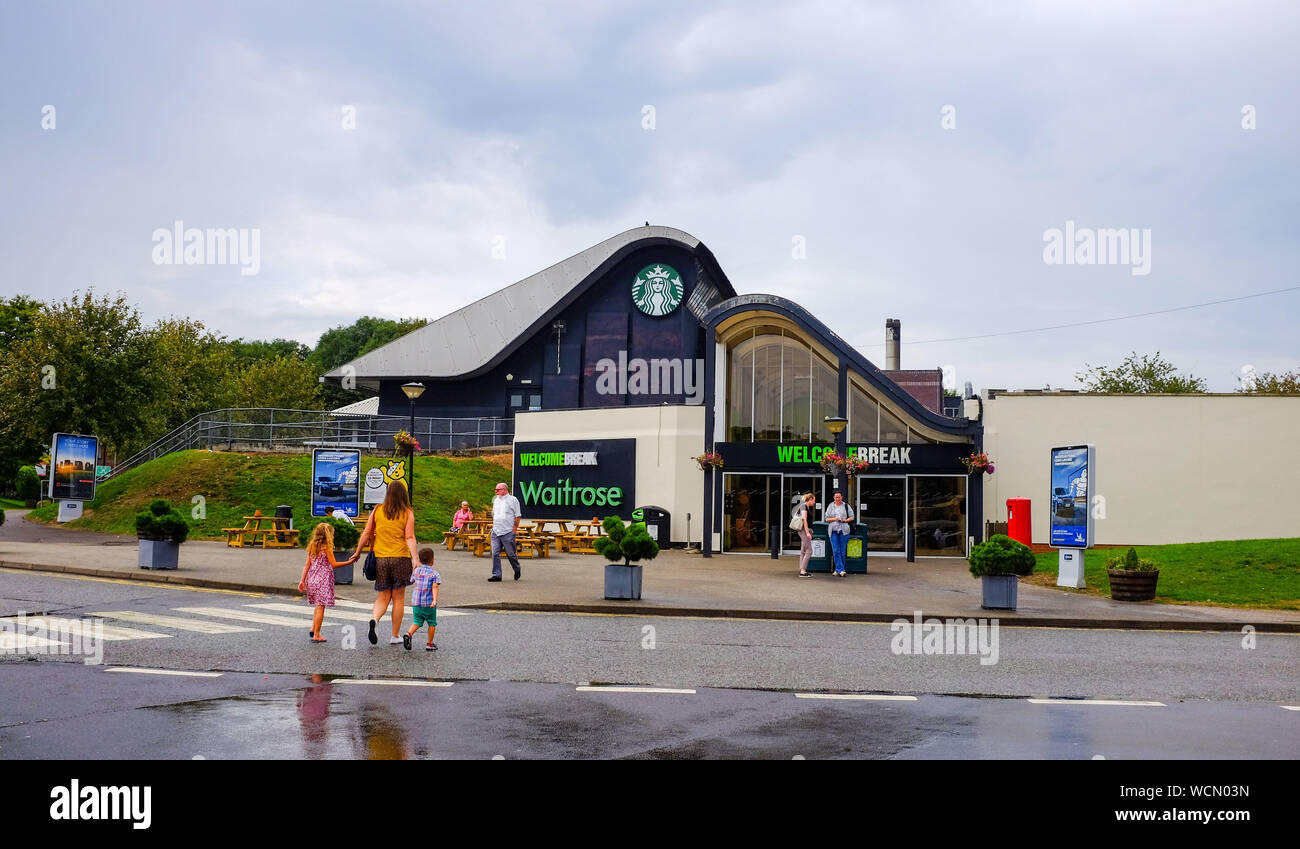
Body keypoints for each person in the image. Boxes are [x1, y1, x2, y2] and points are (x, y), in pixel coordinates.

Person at [353, 480, 418, 645]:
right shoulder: (407, 512)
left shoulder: (377, 510)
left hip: (381, 559)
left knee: (383, 596)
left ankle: (375, 619)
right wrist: (415, 559)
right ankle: (394, 635)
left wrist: (357, 552)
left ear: (387, 494)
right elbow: (409, 537)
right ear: (404, 495)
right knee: (398, 598)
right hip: (401, 558)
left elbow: (367, 532)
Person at [298, 522, 357, 642]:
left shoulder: (312, 547)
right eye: (333, 534)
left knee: (317, 605)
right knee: (321, 607)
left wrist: (302, 580)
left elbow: (307, 565)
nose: (334, 536)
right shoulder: (326, 548)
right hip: (323, 580)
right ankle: (317, 634)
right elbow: (334, 564)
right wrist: (349, 562)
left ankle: (313, 628)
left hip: (312, 579)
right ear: (328, 535)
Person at [405, 547, 440, 651]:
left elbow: (411, 580)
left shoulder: (416, 571)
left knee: (417, 622)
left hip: (416, 602)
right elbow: (435, 587)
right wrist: (434, 600)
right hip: (428, 603)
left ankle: (409, 634)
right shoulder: (434, 574)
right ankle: (429, 643)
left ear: (419, 560)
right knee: (432, 623)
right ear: (432, 560)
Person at [489, 482, 521, 582]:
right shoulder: (496, 500)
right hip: (496, 531)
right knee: (495, 553)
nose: (496, 491)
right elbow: (494, 514)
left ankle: (517, 568)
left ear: (504, 490)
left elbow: (518, 515)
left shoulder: (513, 500)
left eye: (497, 490)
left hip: (508, 531)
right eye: (495, 490)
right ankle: (497, 575)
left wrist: (514, 530)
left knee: (511, 554)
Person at [824, 490, 854, 577]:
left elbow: (852, 517)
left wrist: (845, 520)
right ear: (834, 498)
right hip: (833, 531)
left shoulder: (846, 506)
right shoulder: (830, 506)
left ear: (842, 497)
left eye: (839, 497)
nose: (837, 499)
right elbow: (827, 518)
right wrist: (835, 519)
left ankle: (838, 570)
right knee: (836, 550)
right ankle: (841, 570)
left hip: (844, 531)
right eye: (836, 497)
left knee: (842, 552)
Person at [794, 492, 815, 577]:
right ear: (810, 499)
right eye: (813, 500)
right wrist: (807, 532)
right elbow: (804, 519)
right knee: (809, 550)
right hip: (803, 530)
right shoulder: (804, 506)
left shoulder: (806, 507)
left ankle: (802, 568)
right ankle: (803, 571)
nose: (814, 502)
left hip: (805, 530)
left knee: (803, 550)